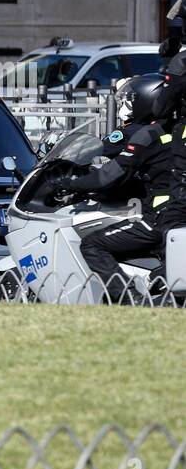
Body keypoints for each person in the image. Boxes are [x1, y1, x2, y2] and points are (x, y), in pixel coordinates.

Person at [53, 74, 179, 303]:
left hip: (162, 217)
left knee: (92, 244)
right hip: (177, 214)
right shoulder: (178, 130)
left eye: (132, 99)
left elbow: (109, 176)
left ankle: (128, 300)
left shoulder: (149, 135)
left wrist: (69, 183)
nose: (127, 105)